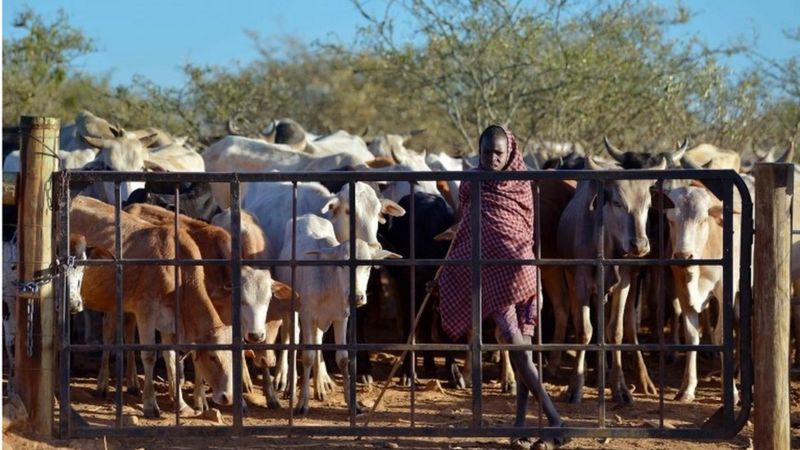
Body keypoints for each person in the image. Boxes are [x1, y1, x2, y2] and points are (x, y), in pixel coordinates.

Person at [436, 125, 568, 450]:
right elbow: (466, 226)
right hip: (492, 277)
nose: (492, 159)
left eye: (498, 153)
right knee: (517, 346)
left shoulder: (522, 184)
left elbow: (525, 227)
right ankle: (555, 420)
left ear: (509, 152)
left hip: (523, 272)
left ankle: (520, 428)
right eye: (486, 152)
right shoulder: (471, 185)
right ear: (478, 152)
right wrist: (446, 270)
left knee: (521, 348)